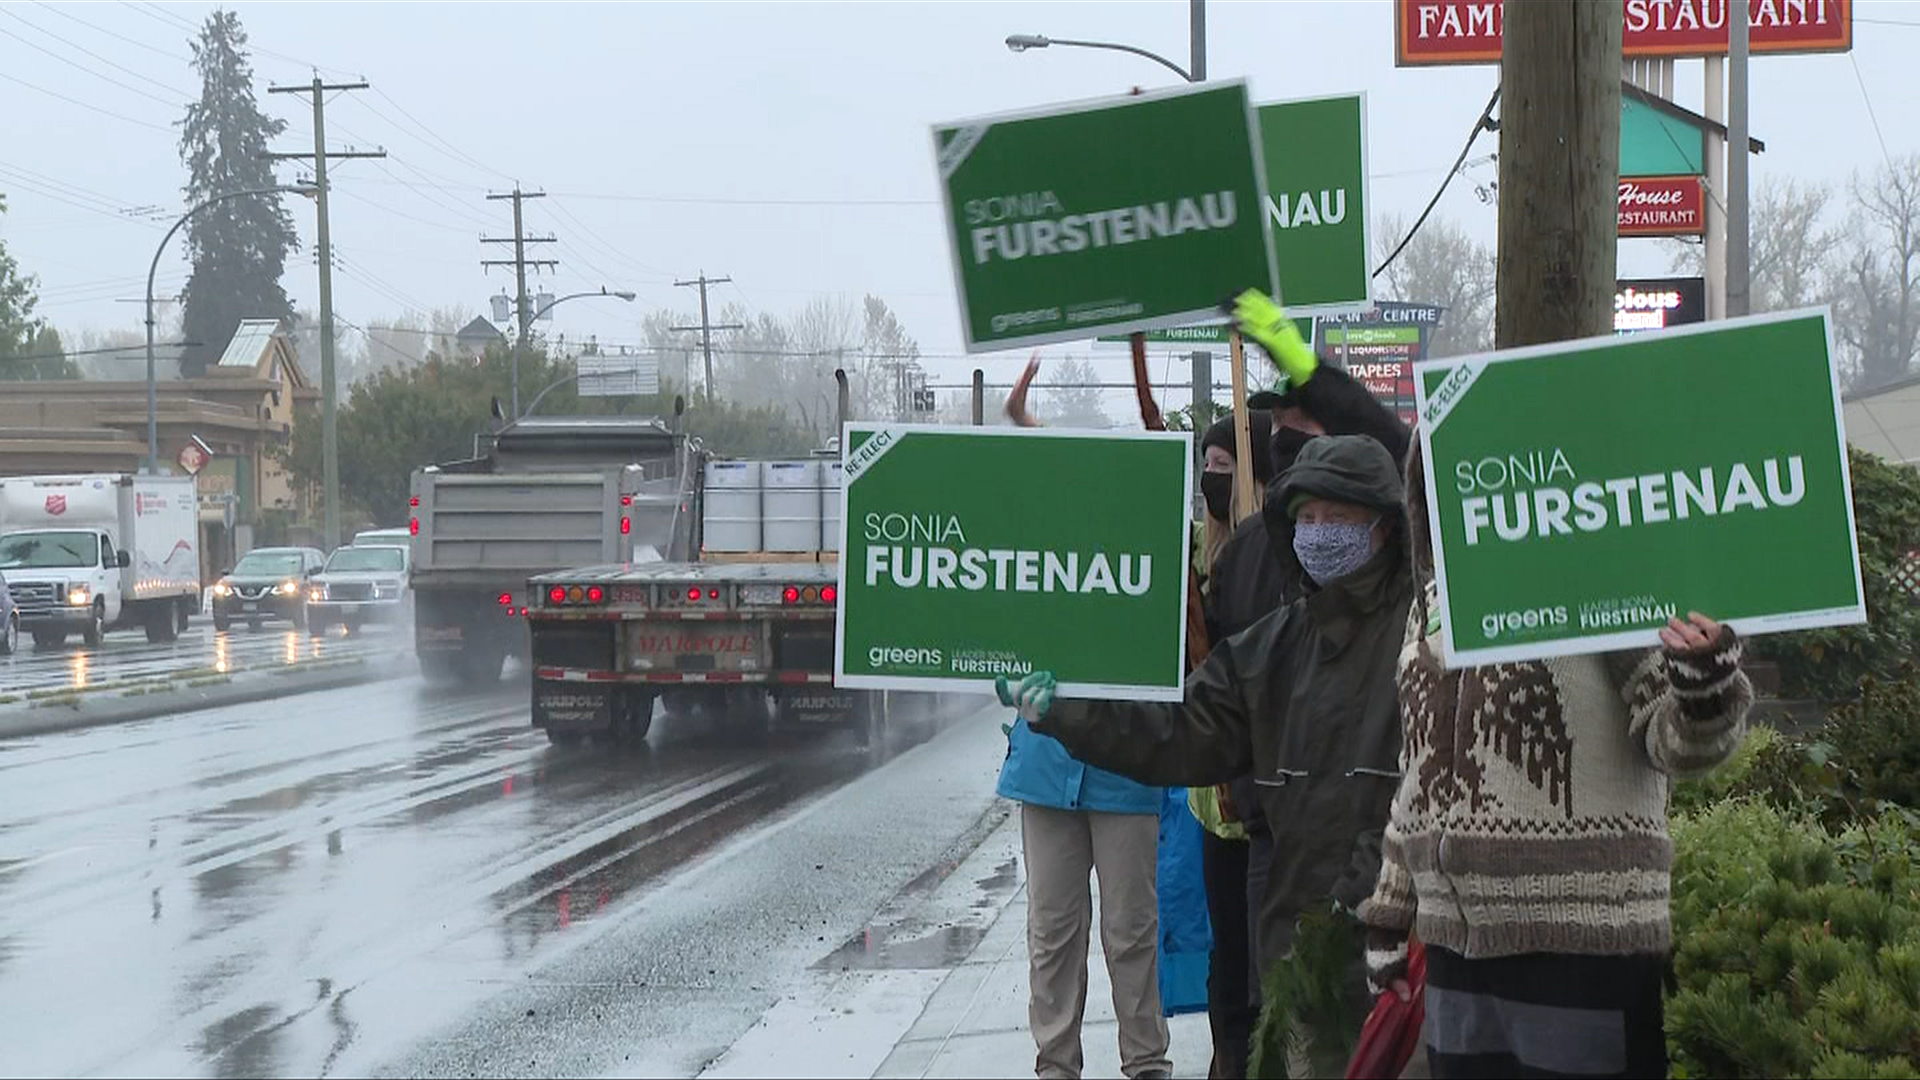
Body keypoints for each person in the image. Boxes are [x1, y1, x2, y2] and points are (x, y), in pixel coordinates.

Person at [1000, 432, 1416, 1077]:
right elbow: (1181, 727)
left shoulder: (1427, 636)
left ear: (1385, 528)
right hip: (1298, 960)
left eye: (1338, 518)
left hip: (1408, 965)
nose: (1319, 532)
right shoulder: (1276, 647)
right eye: (1306, 518)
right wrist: (1065, 712)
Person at [1357, 440, 1753, 1080]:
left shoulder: (1602, 579)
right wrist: (1389, 914)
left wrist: (1705, 687)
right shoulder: (1431, 603)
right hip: (1456, 956)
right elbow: (1420, 773)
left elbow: (1675, 744)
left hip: (1581, 950)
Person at [996, 352, 1174, 1080]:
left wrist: (1137, 355)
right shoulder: (1030, 565)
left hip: (1127, 767)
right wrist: (1011, 691)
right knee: (1053, 932)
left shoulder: (1146, 547)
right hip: (1044, 768)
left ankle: (1146, 1064)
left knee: (1132, 931)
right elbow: (993, 659)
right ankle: (1056, 1066)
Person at [1190, 411, 1272, 1080]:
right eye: (1206, 467)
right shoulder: (1198, 553)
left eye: (1226, 466)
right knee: (1229, 948)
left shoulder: (1282, 557)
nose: (1213, 478)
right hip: (1218, 801)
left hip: (1274, 800)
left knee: (1268, 955)